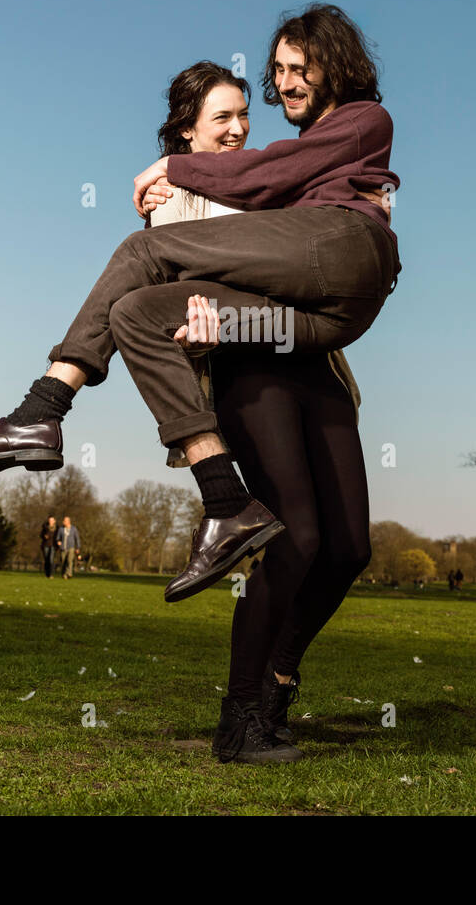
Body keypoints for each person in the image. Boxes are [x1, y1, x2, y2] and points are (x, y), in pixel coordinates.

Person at [0, 4, 401, 607]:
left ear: (333, 63)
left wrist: (172, 167)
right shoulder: (273, 171)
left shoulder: (365, 119)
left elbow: (265, 176)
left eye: (298, 68)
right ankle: (225, 501)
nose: (283, 82)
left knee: (142, 249)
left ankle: (42, 407)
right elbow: (268, 191)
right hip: (307, 319)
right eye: (278, 70)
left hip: (339, 264)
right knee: (136, 315)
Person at [144, 60, 382, 765]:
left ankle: (281, 676)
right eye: (222, 117)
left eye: (245, 114)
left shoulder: (278, 175)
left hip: (314, 360)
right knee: (295, 538)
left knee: (349, 548)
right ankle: (240, 715)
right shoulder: (174, 198)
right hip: (249, 367)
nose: (240, 128)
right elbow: (167, 295)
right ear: (187, 129)